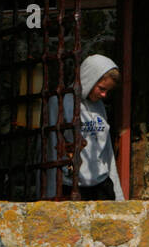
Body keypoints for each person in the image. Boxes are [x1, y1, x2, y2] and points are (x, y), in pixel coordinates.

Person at [44, 54, 126, 201]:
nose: (104, 95)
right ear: (89, 79)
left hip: (101, 184)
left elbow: (106, 152)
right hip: (71, 184)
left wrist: (119, 196)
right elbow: (50, 146)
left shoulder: (99, 106)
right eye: (101, 88)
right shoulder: (59, 102)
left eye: (107, 91)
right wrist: (50, 193)